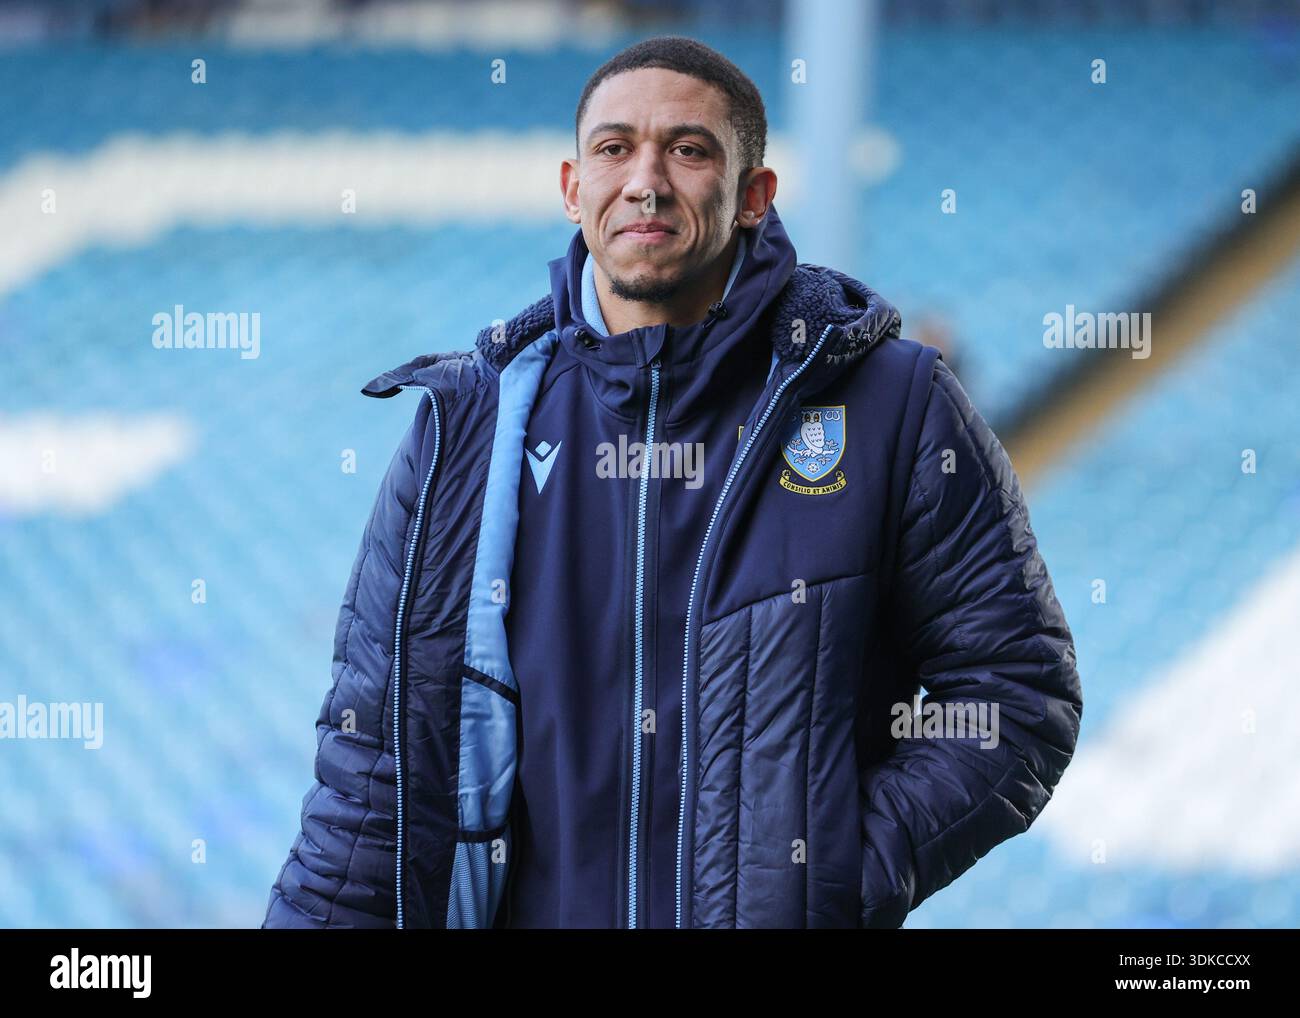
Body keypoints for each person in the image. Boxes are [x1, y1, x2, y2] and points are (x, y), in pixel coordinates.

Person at [262, 35, 1082, 930]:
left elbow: (1012, 695)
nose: (645, 181)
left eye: (688, 150)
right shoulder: (470, 428)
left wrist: (829, 878)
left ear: (753, 199)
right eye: (614, 150)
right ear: (575, 190)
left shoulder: (895, 404)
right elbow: (371, 770)